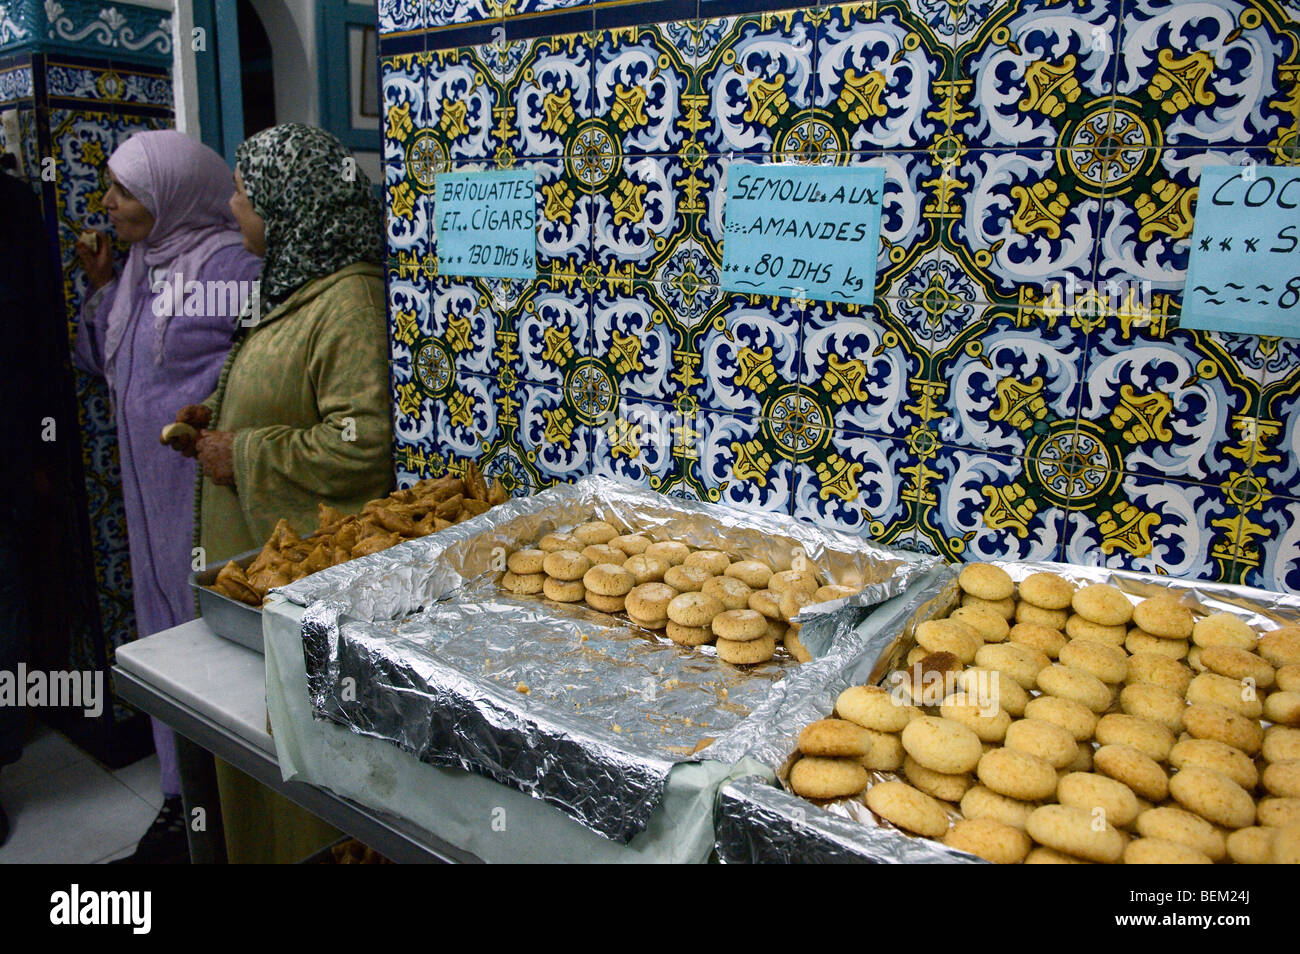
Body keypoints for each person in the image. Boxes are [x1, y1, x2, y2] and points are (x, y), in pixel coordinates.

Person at [171, 123, 392, 863]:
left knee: (301, 777)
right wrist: (224, 414)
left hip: (311, 597)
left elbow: (364, 440)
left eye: (244, 192)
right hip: (260, 590)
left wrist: (246, 452)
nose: (233, 206)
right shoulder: (296, 285)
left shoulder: (350, 297)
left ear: (288, 203)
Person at [73, 130, 262, 863]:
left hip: (205, 490)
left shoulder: (231, 263)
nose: (110, 204)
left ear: (171, 192)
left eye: (125, 191)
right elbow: (104, 361)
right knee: (161, 628)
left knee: (210, 636)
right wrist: (98, 284)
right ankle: (183, 799)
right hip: (146, 493)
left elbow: (262, 373)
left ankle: (230, 801)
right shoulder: (141, 267)